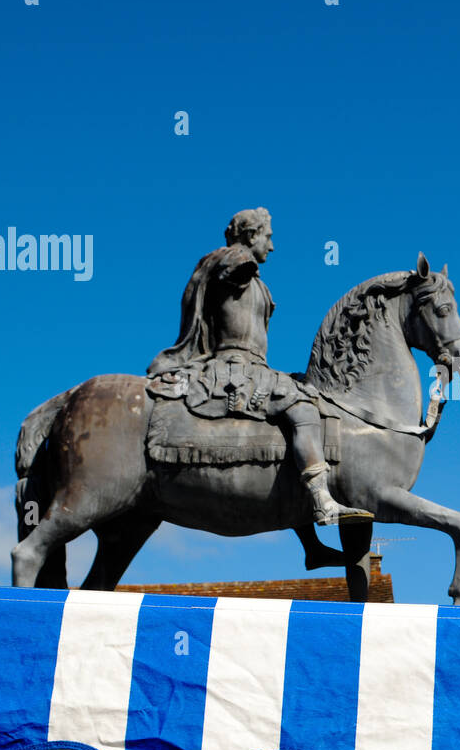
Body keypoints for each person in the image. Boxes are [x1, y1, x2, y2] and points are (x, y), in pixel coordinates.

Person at [147, 207, 371, 525]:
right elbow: (229, 266)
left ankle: (308, 537)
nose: (273, 246)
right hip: (232, 366)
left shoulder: (256, 282)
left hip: (257, 367)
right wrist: (241, 253)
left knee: (308, 403)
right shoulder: (230, 262)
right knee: (303, 408)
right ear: (252, 235)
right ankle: (323, 502)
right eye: (268, 237)